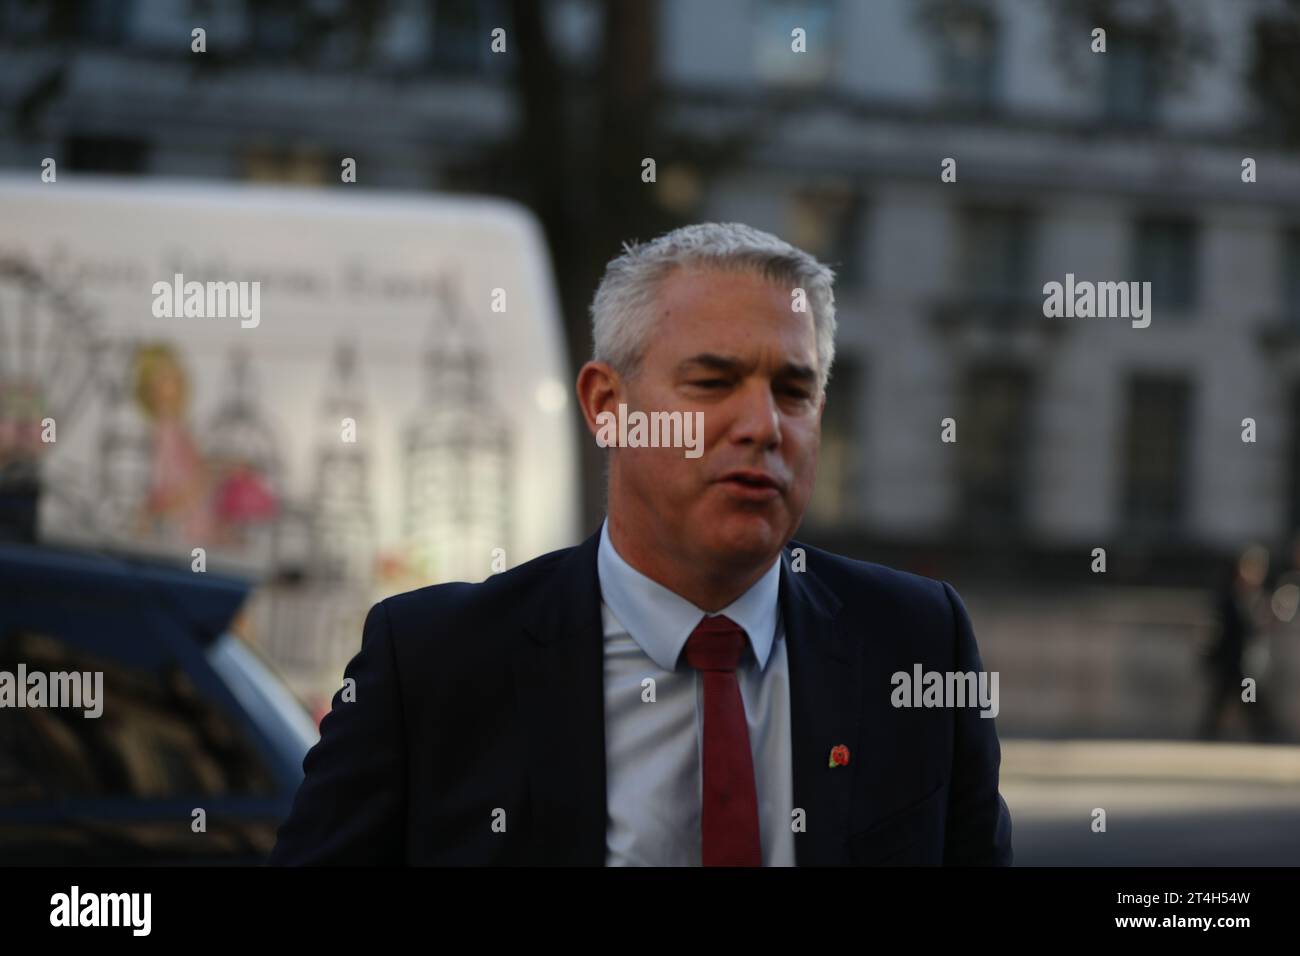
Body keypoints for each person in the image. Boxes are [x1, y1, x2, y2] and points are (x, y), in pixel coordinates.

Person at [269, 222, 1013, 866]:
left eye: (794, 391)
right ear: (607, 406)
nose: (762, 426)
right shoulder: (435, 664)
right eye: (713, 382)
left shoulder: (916, 643)